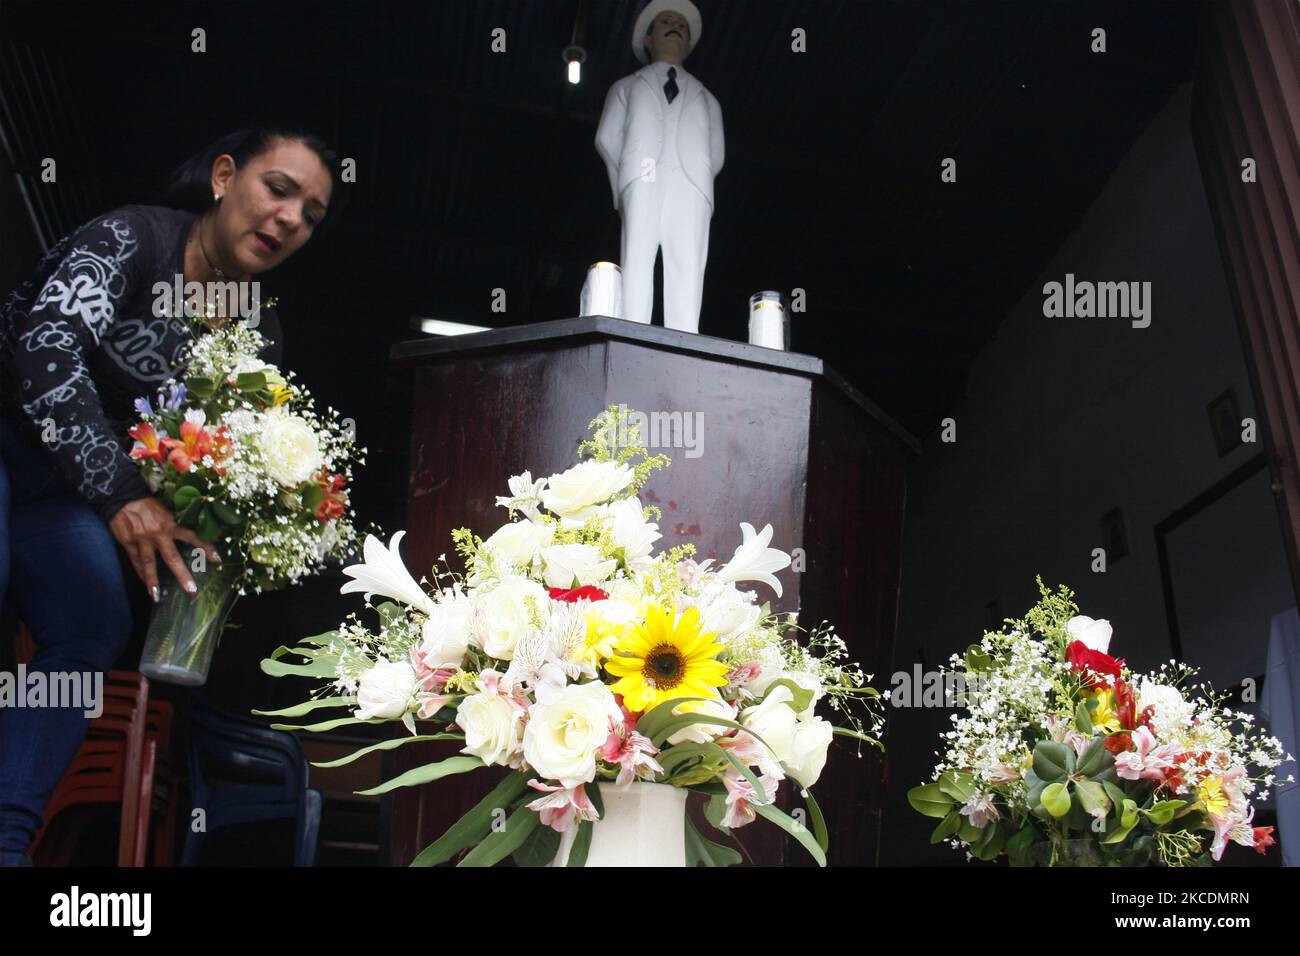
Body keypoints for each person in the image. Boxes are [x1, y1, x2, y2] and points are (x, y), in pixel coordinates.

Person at [0, 127, 344, 866]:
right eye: (278, 190)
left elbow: (222, 461)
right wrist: (123, 493)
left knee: (93, 617)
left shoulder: (259, 330)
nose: (290, 219)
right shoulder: (132, 237)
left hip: (61, 499)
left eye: (311, 214)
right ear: (224, 177)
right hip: (11, 442)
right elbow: (43, 349)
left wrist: (257, 520)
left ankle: (5, 841)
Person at [595, 0, 724, 333]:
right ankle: (633, 331)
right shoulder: (627, 86)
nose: (675, 27)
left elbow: (717, 151)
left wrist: (699, 176)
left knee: (688, 262)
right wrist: (623, 184)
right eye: (666, 21)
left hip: (690, 182)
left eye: (681, 25)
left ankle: (684, 335)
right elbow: (607, 138)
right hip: (643, 175)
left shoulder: (707, 98)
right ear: (648, 39)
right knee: (638, 254)